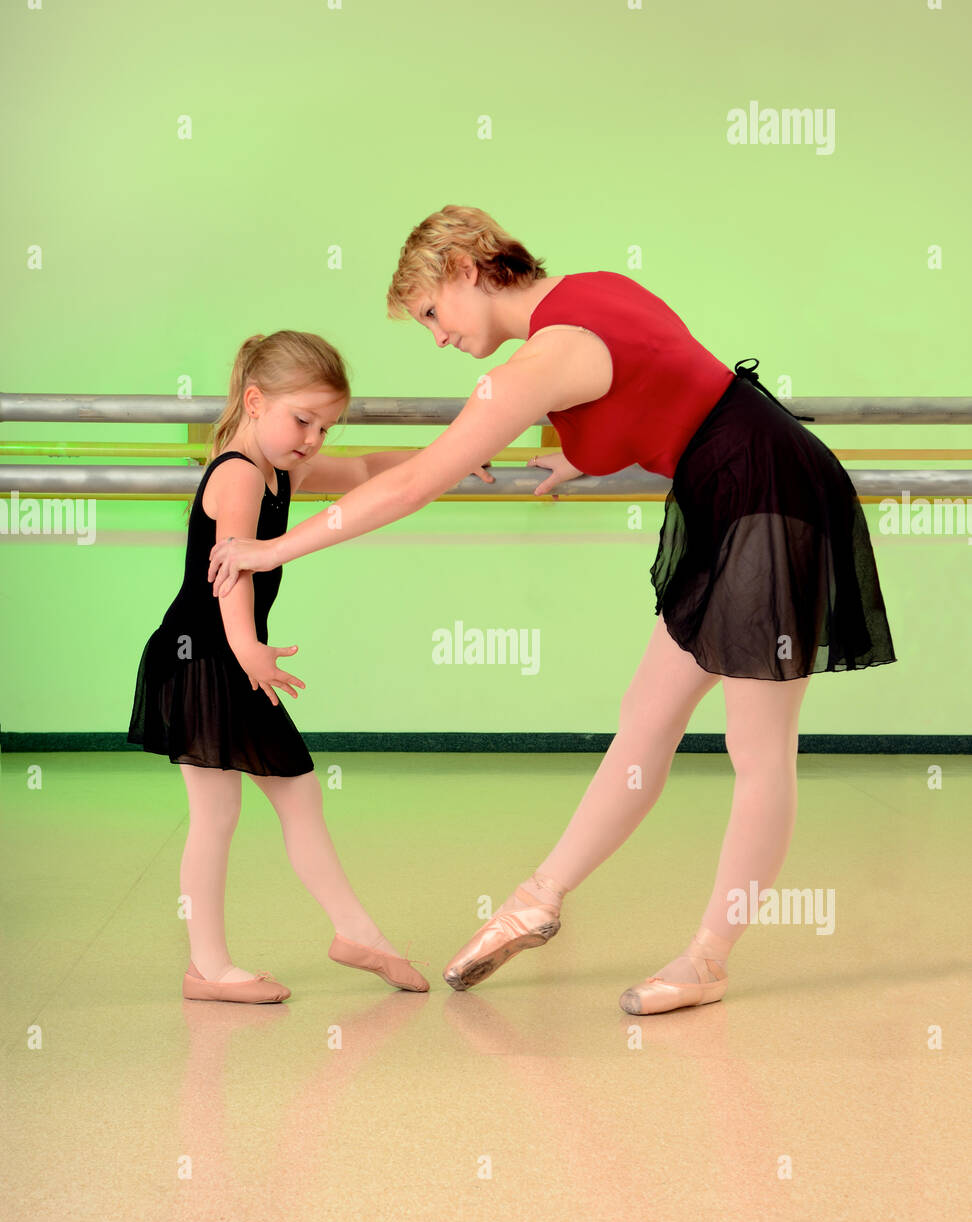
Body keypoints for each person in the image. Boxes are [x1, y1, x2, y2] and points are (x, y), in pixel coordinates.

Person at [207, 206, 896, 1015]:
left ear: (466, 266)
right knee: (646, 713)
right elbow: (666, 384)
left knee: (759, 744)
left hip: (769, 491)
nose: (435, 336)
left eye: (431, 311)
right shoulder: (590, 294)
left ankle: (708, 958)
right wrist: (577, 456)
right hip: (729, 489)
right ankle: (538, 898)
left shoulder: (537, 362)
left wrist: (271, 550)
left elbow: (414, 482)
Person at [128, 329, 499, 1002]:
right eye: (303, 420)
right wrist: (247, 651)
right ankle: (212, 968)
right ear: (254, 398)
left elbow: (360, 476)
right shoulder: (239, 472)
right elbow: (230, 566)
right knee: (223, 814)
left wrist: (441, 463)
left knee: (287, 796)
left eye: (325, 427)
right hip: (202, 656)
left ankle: (352, 933)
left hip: (225, 660)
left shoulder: (279, 468)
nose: (313, 439)